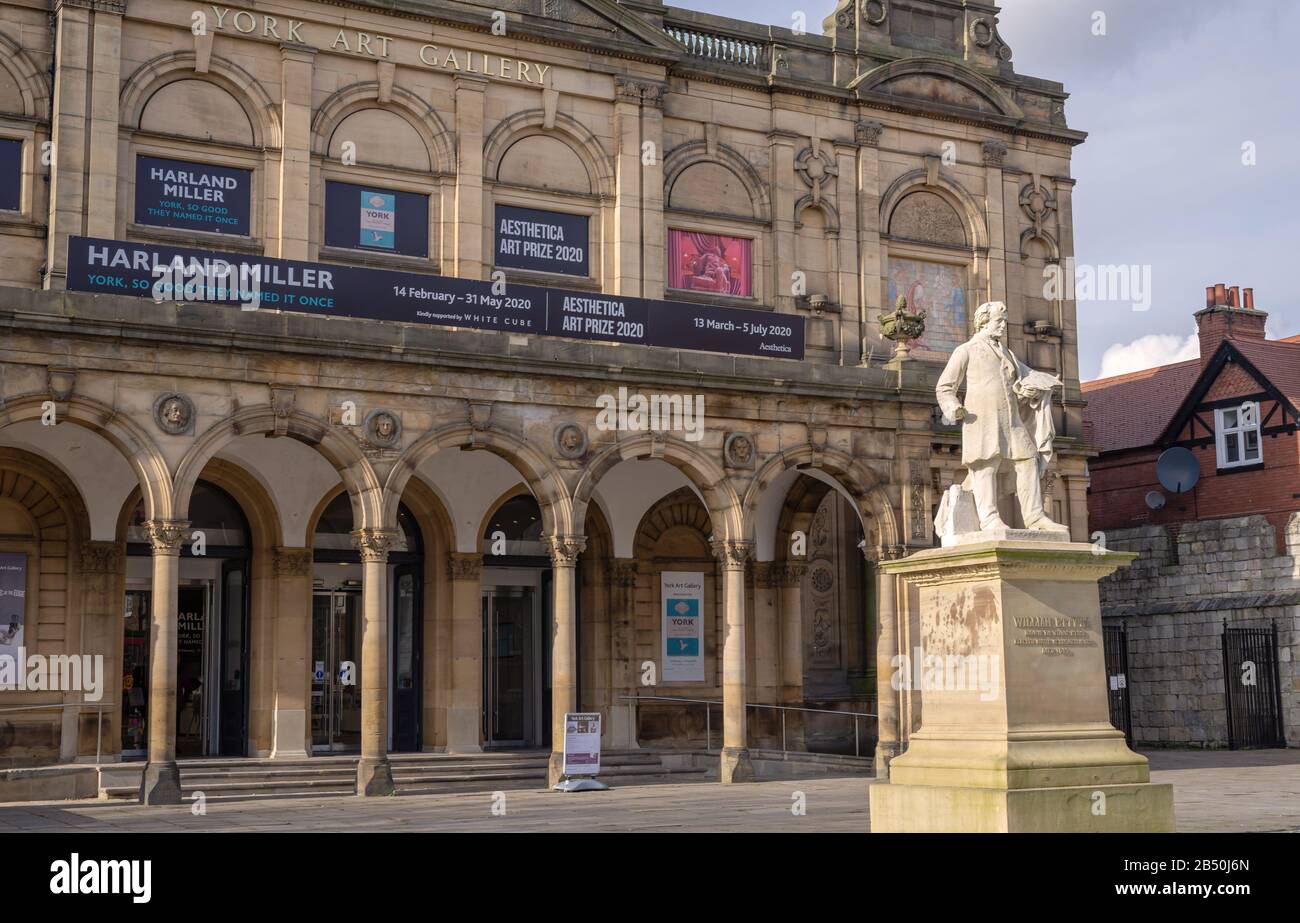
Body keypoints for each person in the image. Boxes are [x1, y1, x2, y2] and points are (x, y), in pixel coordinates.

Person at [935, 301, 1065, 533]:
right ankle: (989, 517)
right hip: (980, 418)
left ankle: (1035, 517)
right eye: (999, 321)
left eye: (1004, 321)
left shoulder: (1008, 353)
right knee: (986, 465)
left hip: (1011, 419)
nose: (1004, 325)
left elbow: (1021, 380)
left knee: (1028, 460)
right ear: (983, 322)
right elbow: (944, 387)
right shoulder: (966, 351)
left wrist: (1028, 389)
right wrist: (952, 407)